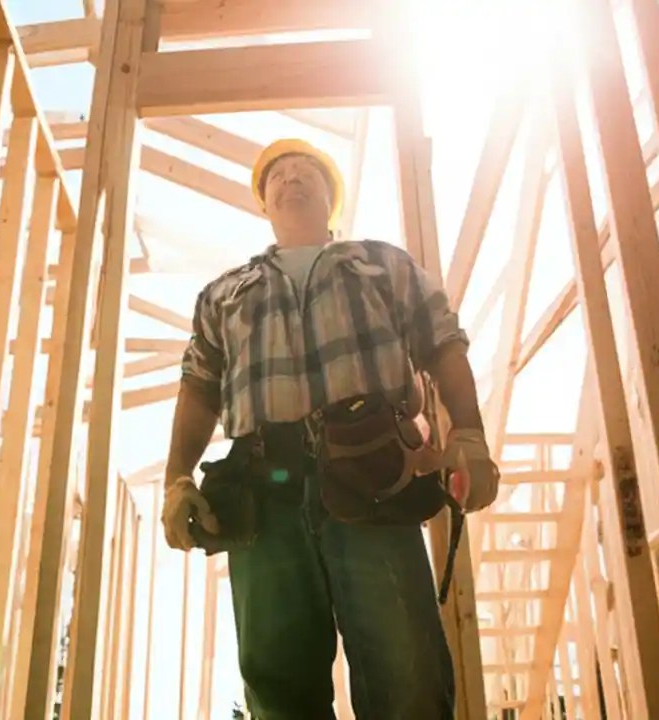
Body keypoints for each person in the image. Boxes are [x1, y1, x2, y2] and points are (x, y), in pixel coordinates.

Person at [160, 138, 499, 719]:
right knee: (278, 686)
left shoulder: (382, 265)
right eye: (277, 177)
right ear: (265, 204)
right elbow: (198, 386)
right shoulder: (224, 294)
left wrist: (468, 435)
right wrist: (175, 478)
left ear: (330, 199)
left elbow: (443, 343)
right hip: (262, 499)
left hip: (374, 480)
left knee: (408, 679)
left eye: (305, 172)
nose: (291, 179)